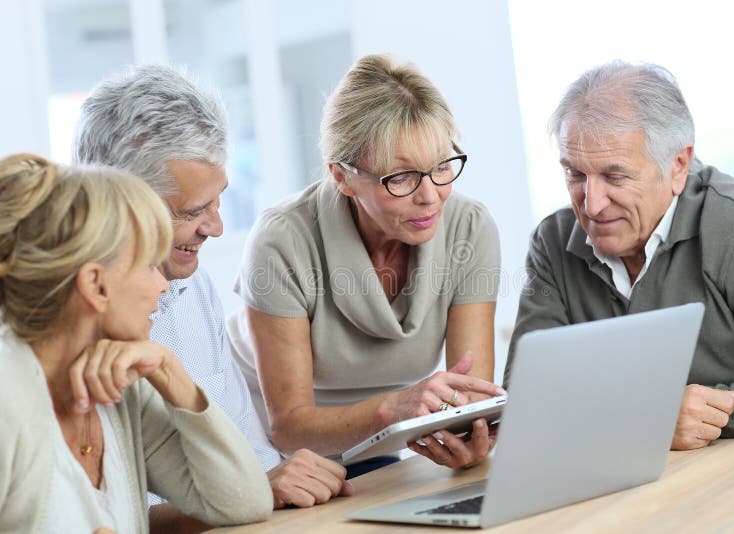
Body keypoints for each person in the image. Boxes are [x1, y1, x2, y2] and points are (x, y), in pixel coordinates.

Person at [72, 64, 351, 523]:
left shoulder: (190, 282)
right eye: (192, 211)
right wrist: (254, 491)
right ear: (120, 206)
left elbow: (251, 456)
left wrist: (286, 481)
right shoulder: (72, 334)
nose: (216, 228)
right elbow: (116, 517)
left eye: (218, 199)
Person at [227, 53, 505, 474]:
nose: (430, 196)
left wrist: (469, 436)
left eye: (441, 166)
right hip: (258, 440)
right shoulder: (281, 240)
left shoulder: (469, 227)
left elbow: (471, 395)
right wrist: (395, 409)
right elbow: (288, 426)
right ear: (342, 177)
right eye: (402, 177)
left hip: (377, 438)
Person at [505, 60, 734, 450]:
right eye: (575, 174)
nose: (591, 205)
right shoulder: (554, 240)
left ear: (678, 166)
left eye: (614, 176)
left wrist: (688, 419)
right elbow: (524, 400)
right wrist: (650, 418)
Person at [0, 154, 271, 533]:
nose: (162, 285)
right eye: (148, 265)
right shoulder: (8, 401)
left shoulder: (122, 388)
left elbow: (245, 502)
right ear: (96, 285)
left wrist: (169, 371)